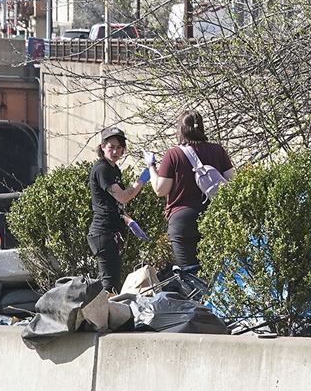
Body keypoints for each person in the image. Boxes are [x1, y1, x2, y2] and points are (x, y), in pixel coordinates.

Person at [145, 109, 234, 268]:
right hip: (214, 218)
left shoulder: (173, 154)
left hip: (183, 221)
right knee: (216, 273)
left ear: (180, 129)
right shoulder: (218, 150)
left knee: (190, 275)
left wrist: (151, 166)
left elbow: (160, 190)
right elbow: (233, 182)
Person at [88, 126, 149, 292]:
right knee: (110, 286)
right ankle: (102, 317)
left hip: (111, 232)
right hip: (103, 233)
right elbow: (123, 197)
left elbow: (115, 203)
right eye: (111, 147)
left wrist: (128, 220)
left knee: (113, 283)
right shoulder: (102, 169)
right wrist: (144, 177)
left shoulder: (113, 169)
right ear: (102, 147)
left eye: (119, 148)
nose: (115, 151)